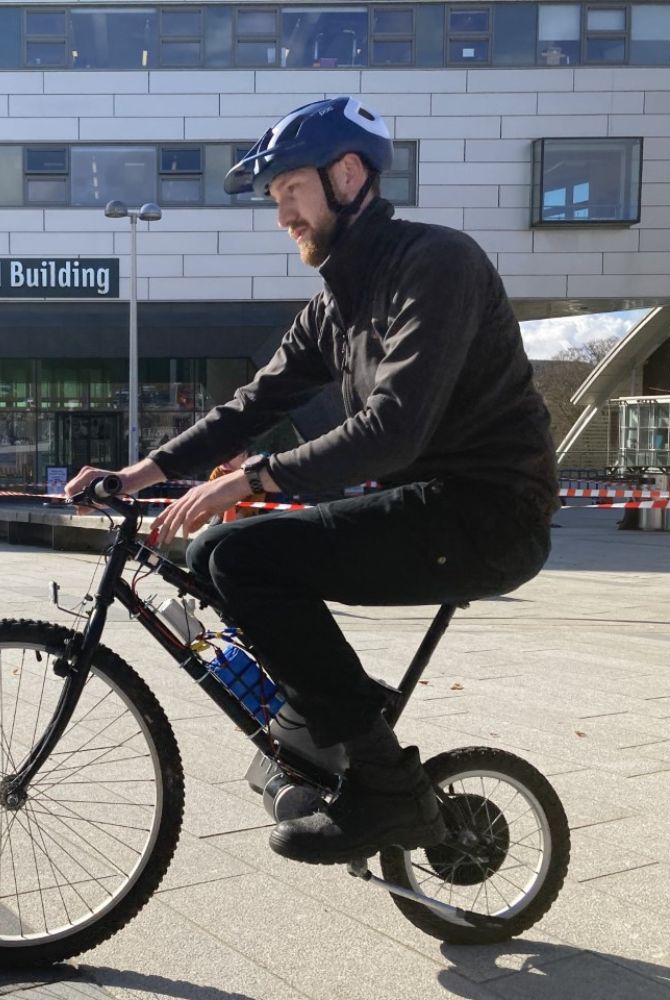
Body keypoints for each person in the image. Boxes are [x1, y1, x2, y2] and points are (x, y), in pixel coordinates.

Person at [65, 97, 557, 865]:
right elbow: (254, 403)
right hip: (421, 507)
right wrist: (139, 474)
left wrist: (249, 480)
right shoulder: (335, 302)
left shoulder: (435, 264)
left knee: (237, 554)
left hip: (489, 516)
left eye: (289, 191)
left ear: (348, 174)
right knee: (211, 554)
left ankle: (380, 783)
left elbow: (394, 429)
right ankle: (315, 725)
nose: (281, 214)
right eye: (274, 199)